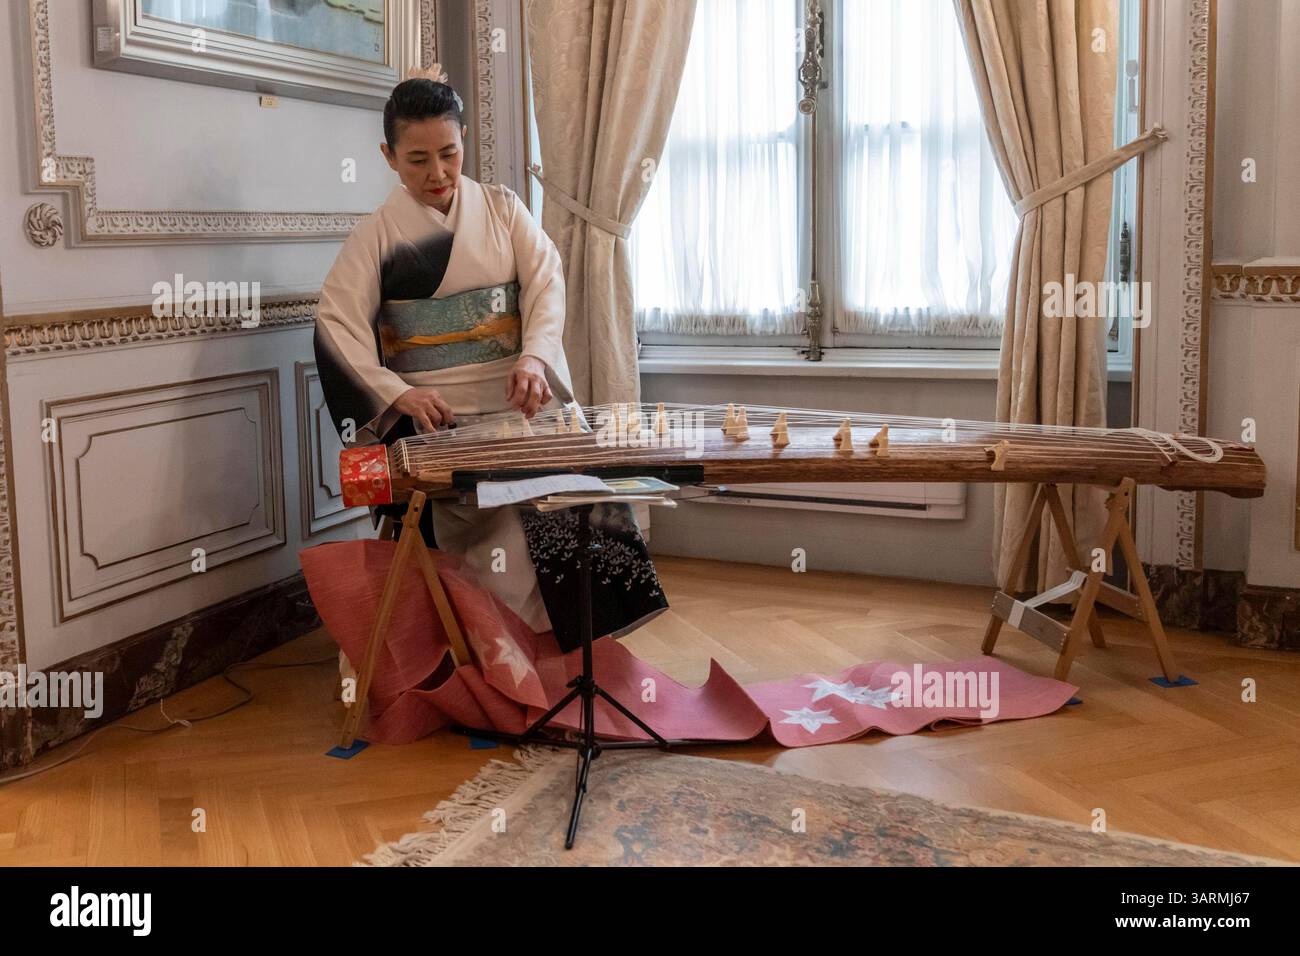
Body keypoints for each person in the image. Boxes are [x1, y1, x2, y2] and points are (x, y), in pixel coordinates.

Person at [313, 66, 666, 651]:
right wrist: (399, 394)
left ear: (464, 140)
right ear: (388, 156)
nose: (438, 173)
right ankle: (490, 657)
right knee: (489, 520)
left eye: (448, 153)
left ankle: (560, 656)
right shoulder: (375, 235)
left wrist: (533, 357)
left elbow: (546, 281)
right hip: (438, 424)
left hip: (518, 406)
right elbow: (335, 323)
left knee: (574, 492)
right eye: (418, 159)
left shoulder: (502, 208)